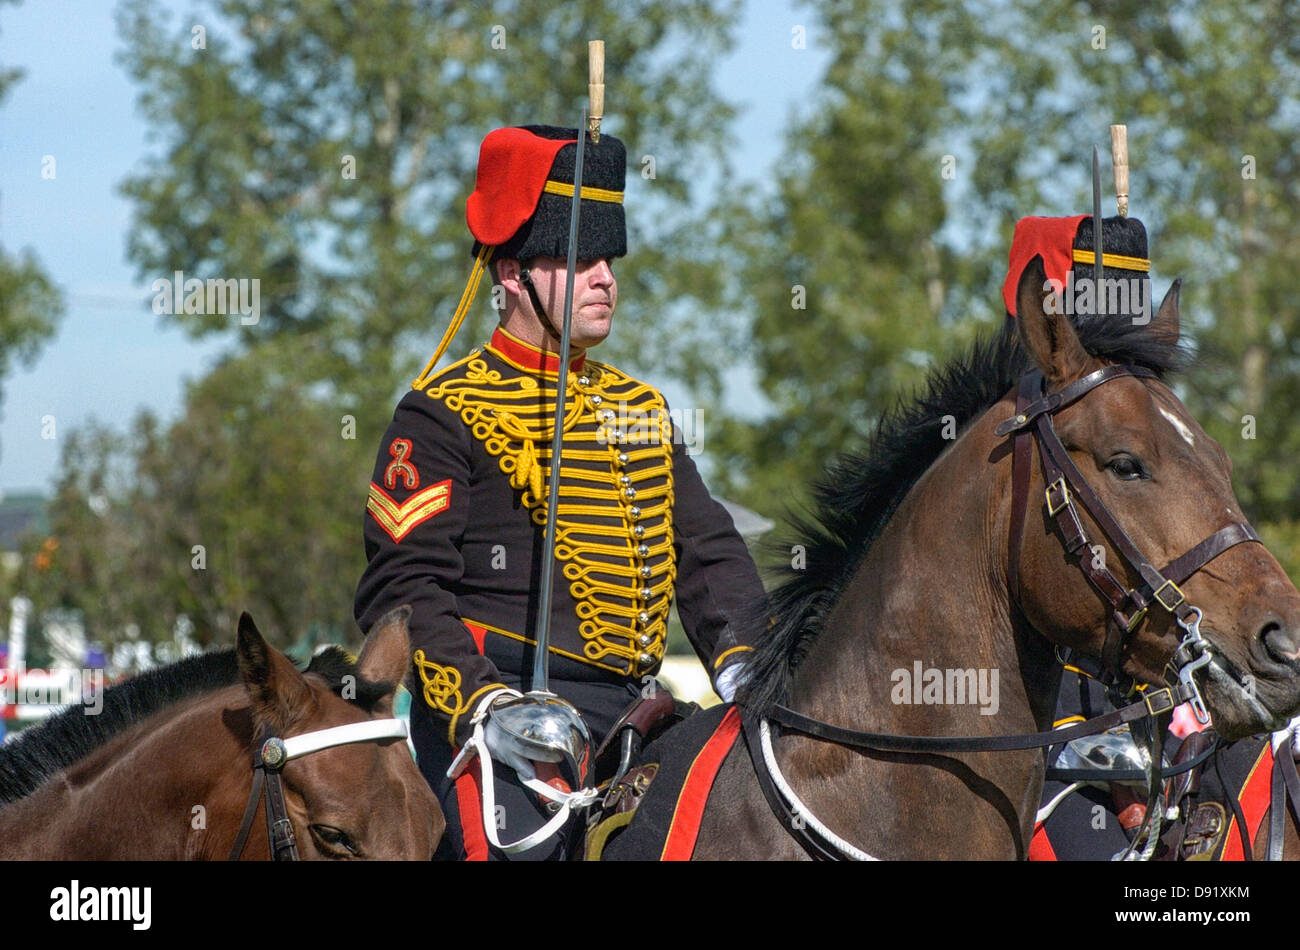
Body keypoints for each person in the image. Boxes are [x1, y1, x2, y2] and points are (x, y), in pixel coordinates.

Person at [354, 124, 766, 860]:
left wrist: (750, 665)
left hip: (636, 719)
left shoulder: (641, 409)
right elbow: (402, 590)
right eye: (583, 260)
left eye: (611, 260)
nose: (607, 277)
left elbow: (709, 556)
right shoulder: (441, 413)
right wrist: (485, 705)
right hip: (499, 720)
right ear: (512, 273)